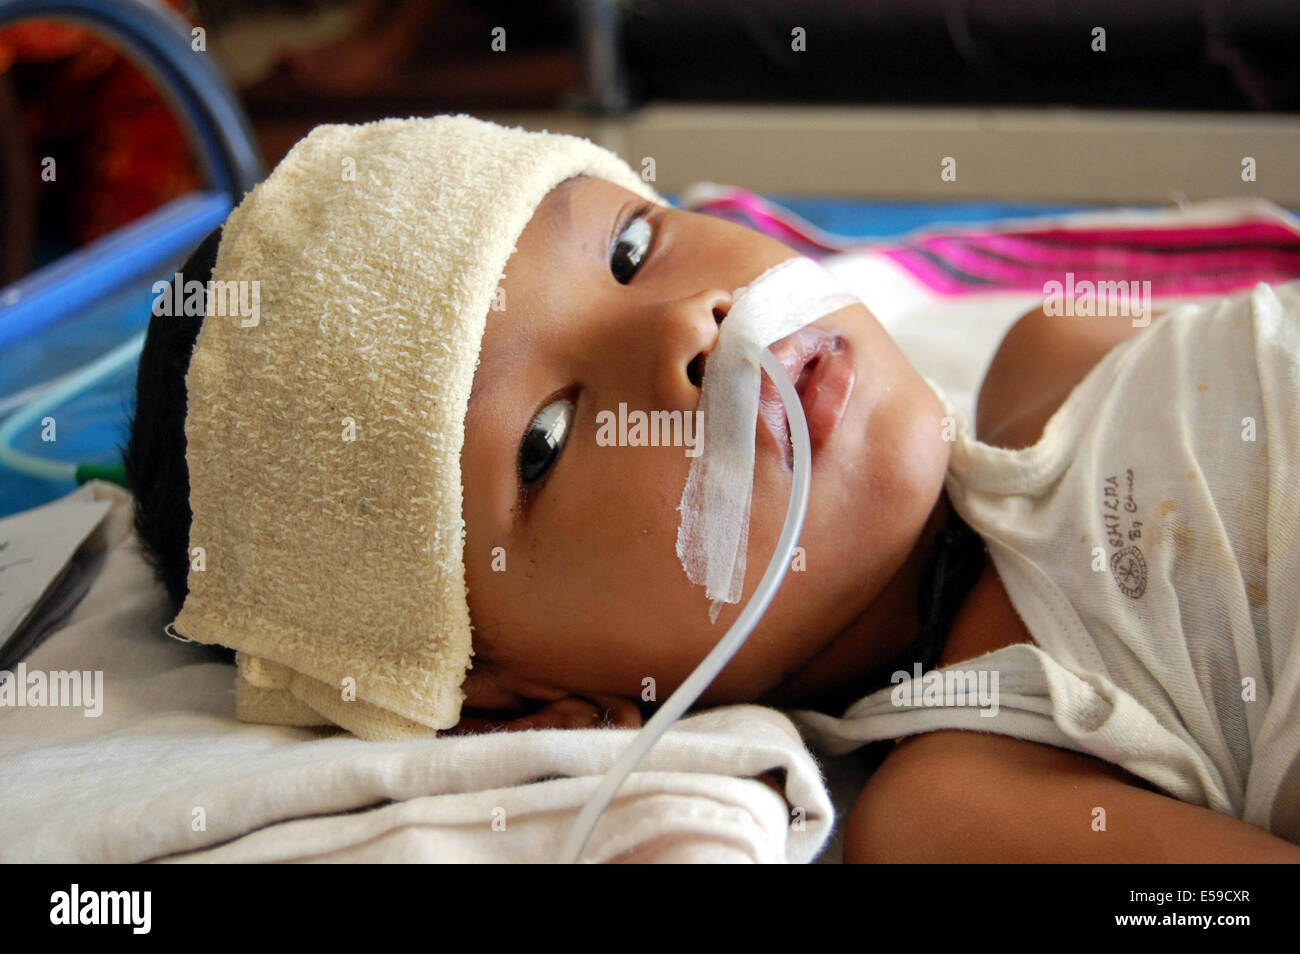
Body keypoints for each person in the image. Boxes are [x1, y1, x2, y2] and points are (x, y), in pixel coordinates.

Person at [124, 115, 1300, 861]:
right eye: (545, 437)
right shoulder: (961, 806)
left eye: (631, 250)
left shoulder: (1064, 356)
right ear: (521, 703)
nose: (690, 327)